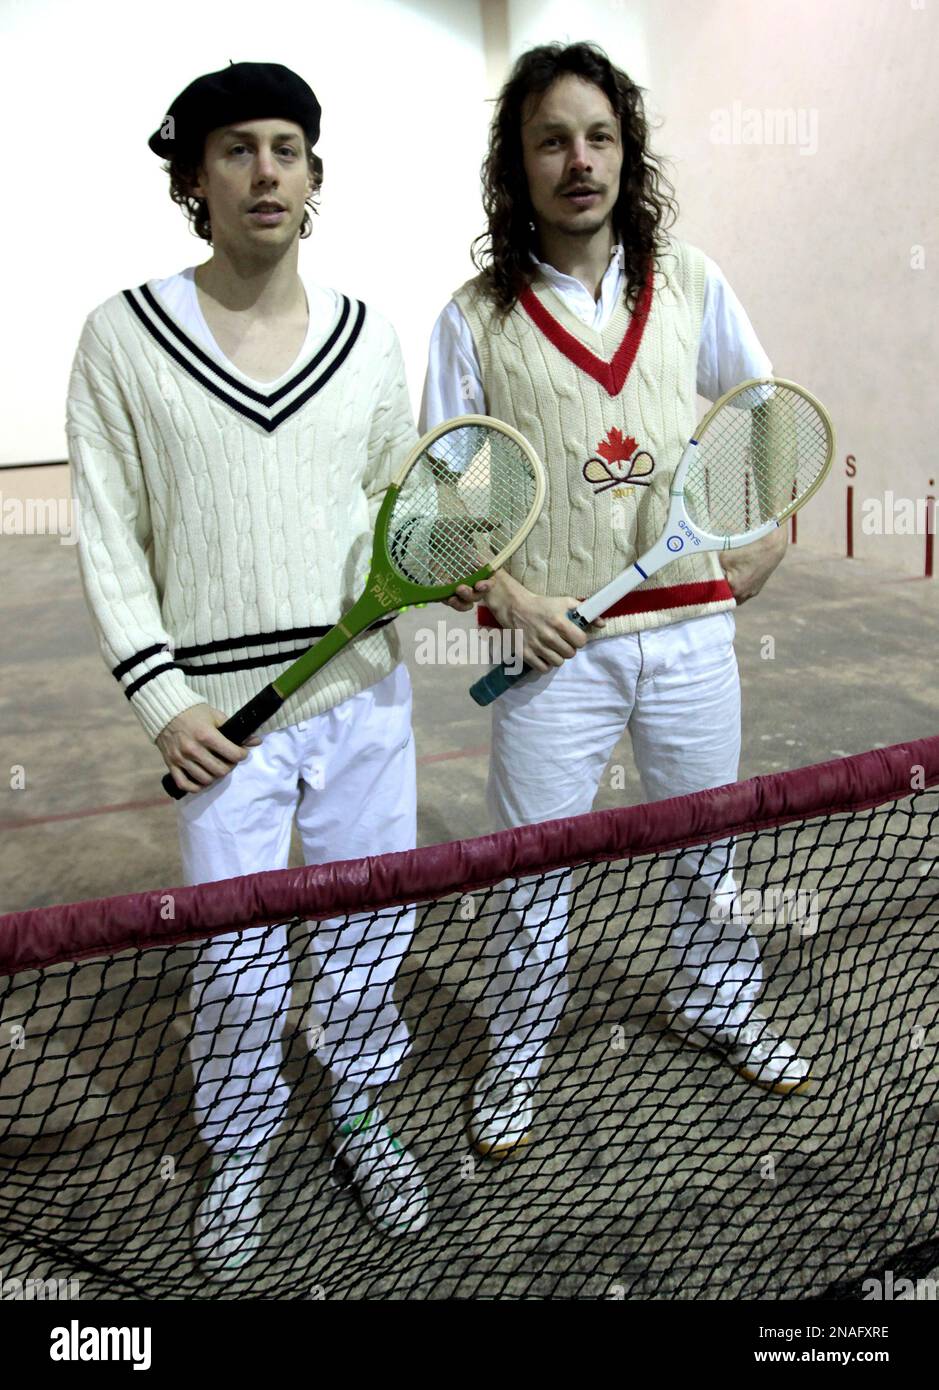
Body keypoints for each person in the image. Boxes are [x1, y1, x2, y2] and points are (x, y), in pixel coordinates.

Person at [67, 61, 482, 1277]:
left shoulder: (368, 337)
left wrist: (449, 556)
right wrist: (162, 699)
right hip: (219, 723)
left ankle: (360, 1107)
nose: (265, 171)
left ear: (313, 177)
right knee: (238, 969)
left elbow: (386, 501)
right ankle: (240, 1147)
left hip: (363, 696)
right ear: (192, 178)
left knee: (365, 940)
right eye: (236, 149)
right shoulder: (122, 338)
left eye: (287, 149)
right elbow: (109, 537)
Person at [421, 41, 811, 1159]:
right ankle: (517, 1052)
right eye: (552, 140)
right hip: (555, 652)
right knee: (533, 868)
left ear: (627, 150)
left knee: (707, 846)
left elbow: (767, 410)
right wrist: (502, 589)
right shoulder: (474, 318)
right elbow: (446, 509)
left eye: (598, 135)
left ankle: (722, 1003)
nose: (578, 160)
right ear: (519, 165)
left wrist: (771, 528)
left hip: (691, 627)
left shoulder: (687, 278)